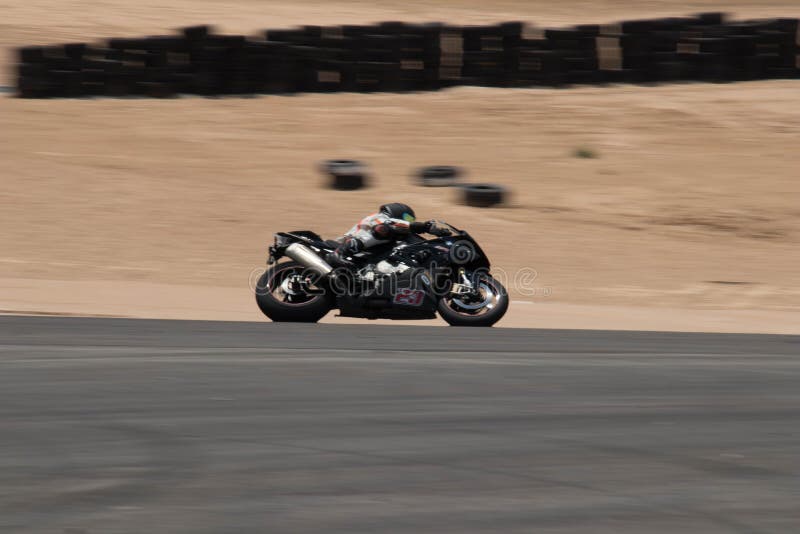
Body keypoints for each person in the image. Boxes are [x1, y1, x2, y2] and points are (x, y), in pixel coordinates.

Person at [327, 203, 450, 269]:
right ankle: (339, 253)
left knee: (409, 240)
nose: (410, 221)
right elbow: (395, 225)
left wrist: (438, 239)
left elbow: (411, 236)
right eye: (408, 218)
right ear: (397, 211)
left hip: (369, 254)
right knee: (383, 230)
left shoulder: (397, 231)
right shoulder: (380, 218)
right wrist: (425, 227)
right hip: (347, 243)